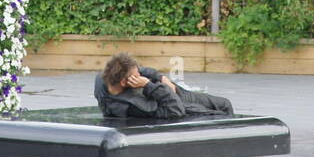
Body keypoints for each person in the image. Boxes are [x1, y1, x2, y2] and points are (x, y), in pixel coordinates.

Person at [94, 52, 233, 119]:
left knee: (225, 103)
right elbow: (175, 110)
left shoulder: (105, 77)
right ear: (125, 82)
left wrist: (161, 78)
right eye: (137, 77)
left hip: (172, 93)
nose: (141, 76)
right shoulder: (132, 106)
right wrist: (149, 85)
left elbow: (141, 70)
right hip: (176, 104)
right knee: (224, 109)